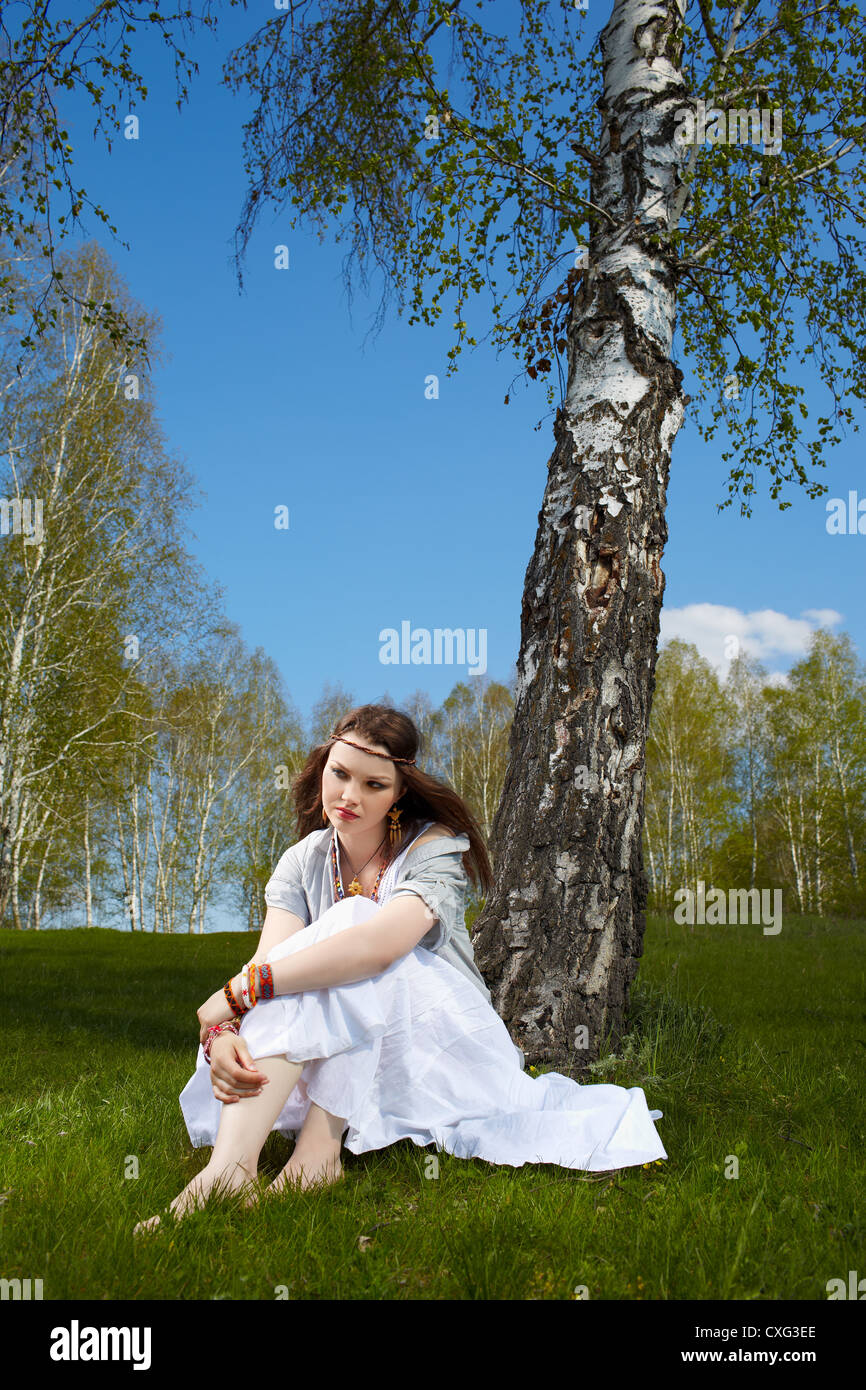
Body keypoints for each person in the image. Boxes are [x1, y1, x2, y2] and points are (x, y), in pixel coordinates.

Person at [134, 704, 666, 1235]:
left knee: (355, 921)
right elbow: (269, 963)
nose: (349, 796)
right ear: (323, 767)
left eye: (373, 785)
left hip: (443, 1048)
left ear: (398, 795)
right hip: (351, 1042)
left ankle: (318, 1148)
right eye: (340, 774)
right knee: (305, 962)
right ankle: (230, 1170)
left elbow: (380, 946)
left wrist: (232, 997)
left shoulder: (433, 848)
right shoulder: (302, 860)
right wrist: (223, 1027)